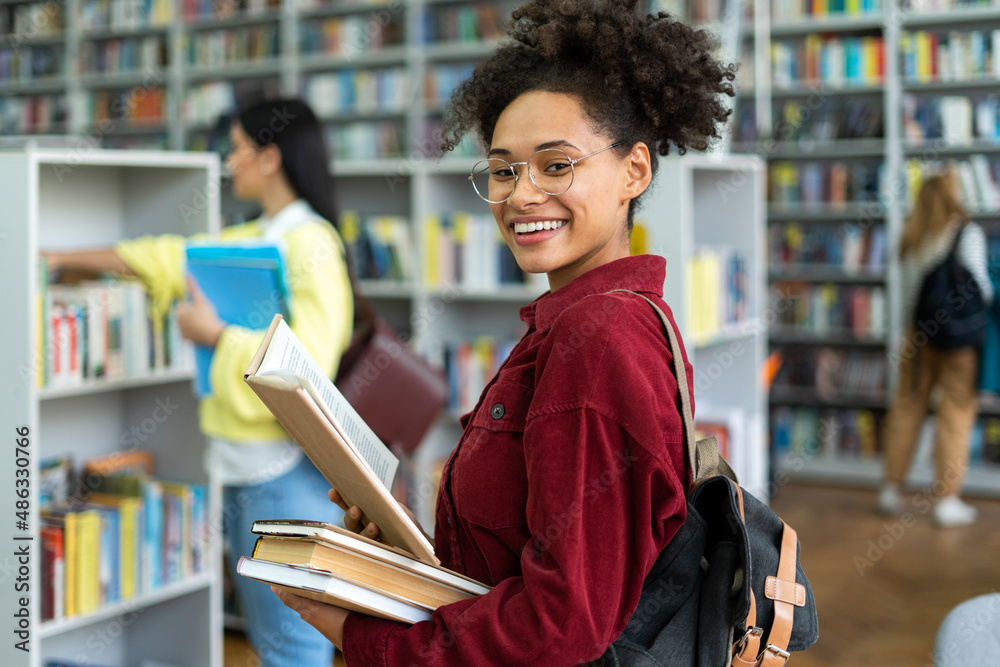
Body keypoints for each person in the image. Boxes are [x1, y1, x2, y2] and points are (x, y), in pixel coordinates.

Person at [272, 1, 735, 663]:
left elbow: (561, 624)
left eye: (555, 165)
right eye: (502, 170)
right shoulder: (581, 322)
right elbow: (523, 561)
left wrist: (360, 634)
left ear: (635, 169)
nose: (520, 196)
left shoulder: (599, 338)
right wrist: (397, 555)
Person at [44, 98, 354, 667]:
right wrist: (56, 255)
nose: (227, 161)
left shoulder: (309, 242)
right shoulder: (257, 234)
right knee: (273, 640)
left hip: (282, 471)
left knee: (291, 645)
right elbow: (168, 259)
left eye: (236, 148)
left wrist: (216, 335)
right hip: (242, 467)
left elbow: (309, 366)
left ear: (269, 157)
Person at [878, 171, 994, 527]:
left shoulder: (911, 236)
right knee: (955, 414)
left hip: (917, 335)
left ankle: (890, 489)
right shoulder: (967, 233)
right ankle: (946, 500)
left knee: (907, 409)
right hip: (959, 340)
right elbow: (982, 290)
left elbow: (905, 296)